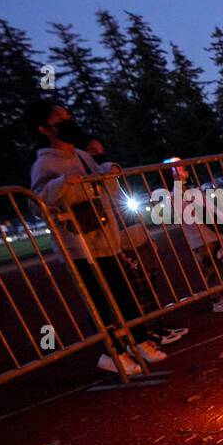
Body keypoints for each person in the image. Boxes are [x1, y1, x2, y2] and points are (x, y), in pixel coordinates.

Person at [26, 100, 169, 375]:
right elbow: (36, 203)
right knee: (98, 301)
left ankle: (138, 341)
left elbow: (101, 181)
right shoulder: (44, 162)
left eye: (67, 115)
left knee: (123, 292)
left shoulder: (81, 155)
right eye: (59, 119)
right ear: (44, 128)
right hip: (79, 245)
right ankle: (111, 353)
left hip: (106, 237)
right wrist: (61, 183)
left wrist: (108, 171)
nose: (67, 121)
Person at [171, 159, 223, 314]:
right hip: (199, 240)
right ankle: (217, 301)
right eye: (176, 169)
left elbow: (214, 210)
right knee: (210, 271)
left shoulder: (195, 191)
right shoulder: (173, 196)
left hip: (214, 235)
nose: (181, 171)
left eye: (182, 168)